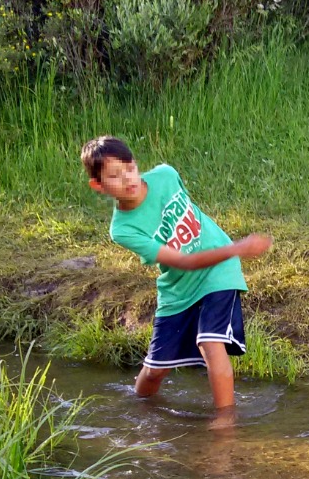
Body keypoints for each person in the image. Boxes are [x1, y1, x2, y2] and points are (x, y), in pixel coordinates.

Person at [82, 135, 271, 411]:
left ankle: (225, 425)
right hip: (178, 289)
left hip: (219, 268)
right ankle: (140, 410)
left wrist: (233, 250)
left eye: (130, 168)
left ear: (136, 164)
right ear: (98, 185)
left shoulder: (166, 175)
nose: (128, 179)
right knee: (155, 369)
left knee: (209, 343)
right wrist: (238, 248)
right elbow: (184, 262)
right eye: (114, 176)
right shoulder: (123, 229)